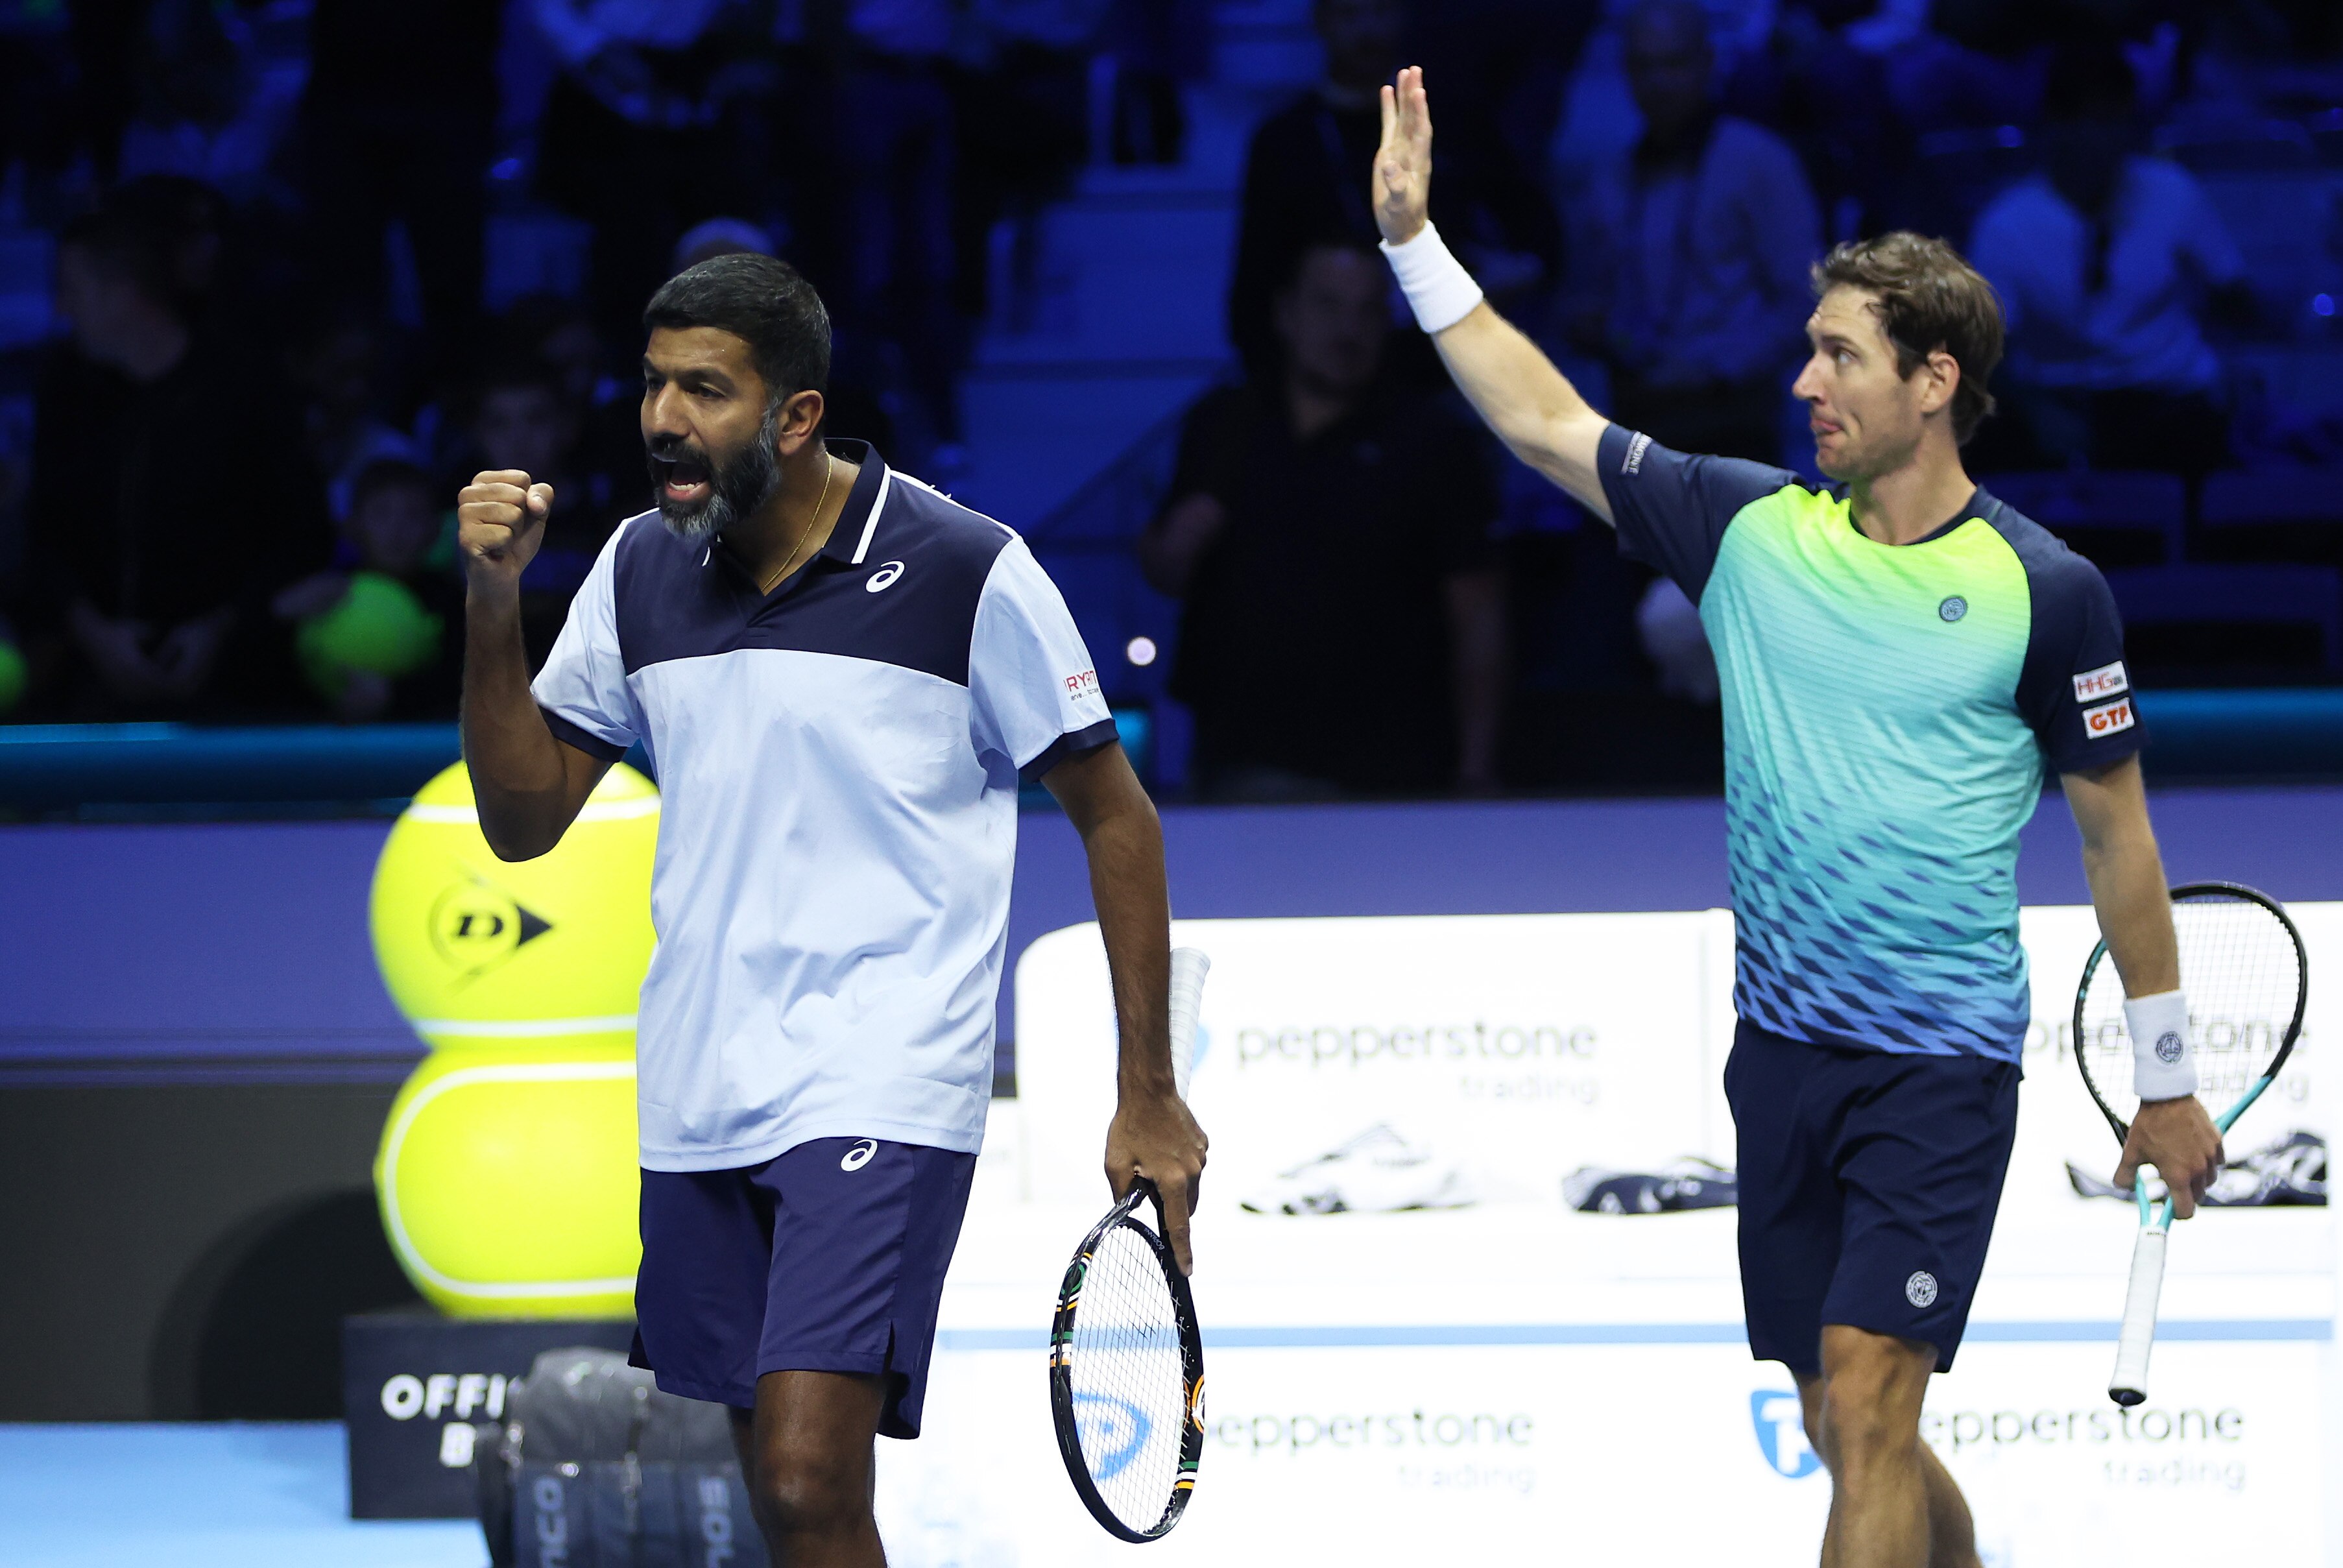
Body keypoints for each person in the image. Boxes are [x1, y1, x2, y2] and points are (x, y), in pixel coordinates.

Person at [1372, 68, 2223, 1567]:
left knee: (1874, 1395)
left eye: (1838, 355)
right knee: (1843, 1418)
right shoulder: (1748, 533)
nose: (1803, 381)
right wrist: (1413, 243)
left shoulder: (2048, 590)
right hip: (1783, 1055)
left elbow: (2120, 843)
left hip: (1941, 1066)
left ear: (1935, 379)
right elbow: (1544, 419)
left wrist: (2165, 1082)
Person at [453, 252, 1205, 1568]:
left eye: (706, 390)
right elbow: (521, 819)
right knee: (779, 1494)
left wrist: (1148, 1084)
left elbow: (1115, 812)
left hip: (881, 1075)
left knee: (807, 1473)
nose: (662, 420)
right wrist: (492, 597)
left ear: (797, 416)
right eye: (651, 385)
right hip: (699, 1082)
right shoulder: (636, 569)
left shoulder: (965, 567)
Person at [1142, 237, 1504, 798]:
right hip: (1244, 755)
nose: (1348, 330)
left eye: (1367, 310)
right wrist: (1181, 538)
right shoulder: (1227, 425)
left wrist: (1476, 765)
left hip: (1392, 764)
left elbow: (1476, 609)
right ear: (1287, 314)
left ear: (1389, 321)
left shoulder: (1433, 442)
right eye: (1329, 306)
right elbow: (1165, 570)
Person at [19, 206, 329, 719]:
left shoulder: (246, 385)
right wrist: (93, 631)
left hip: (239, 689)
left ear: (124, 292)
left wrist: (221, 627)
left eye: (72, 289)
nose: (61, 309)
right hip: (91, 686)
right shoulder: (68, 387)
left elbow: (303, 537)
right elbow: (44, 536)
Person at [1966, 42, 2250, 477]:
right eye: (2088, 122)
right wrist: (2040, 412)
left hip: (2167, 393)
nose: (2103, 140)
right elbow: (1988, 347)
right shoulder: (2005, 224)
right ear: (2055, 126)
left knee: (2202, 434)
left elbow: (2232, 292)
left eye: (2114, 122)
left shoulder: (2173, 191)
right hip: (2058, 393)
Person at [1564, 0, 1821, 463]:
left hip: (1736, 419)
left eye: (1674, 63)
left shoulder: (1760, 162)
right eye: (1644, 67)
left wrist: (1719, 369)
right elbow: (1595, 299)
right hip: (1640, 419)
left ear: (1707, 63)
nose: (1659, 82)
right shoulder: (1611, 179)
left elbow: (1805, 299)